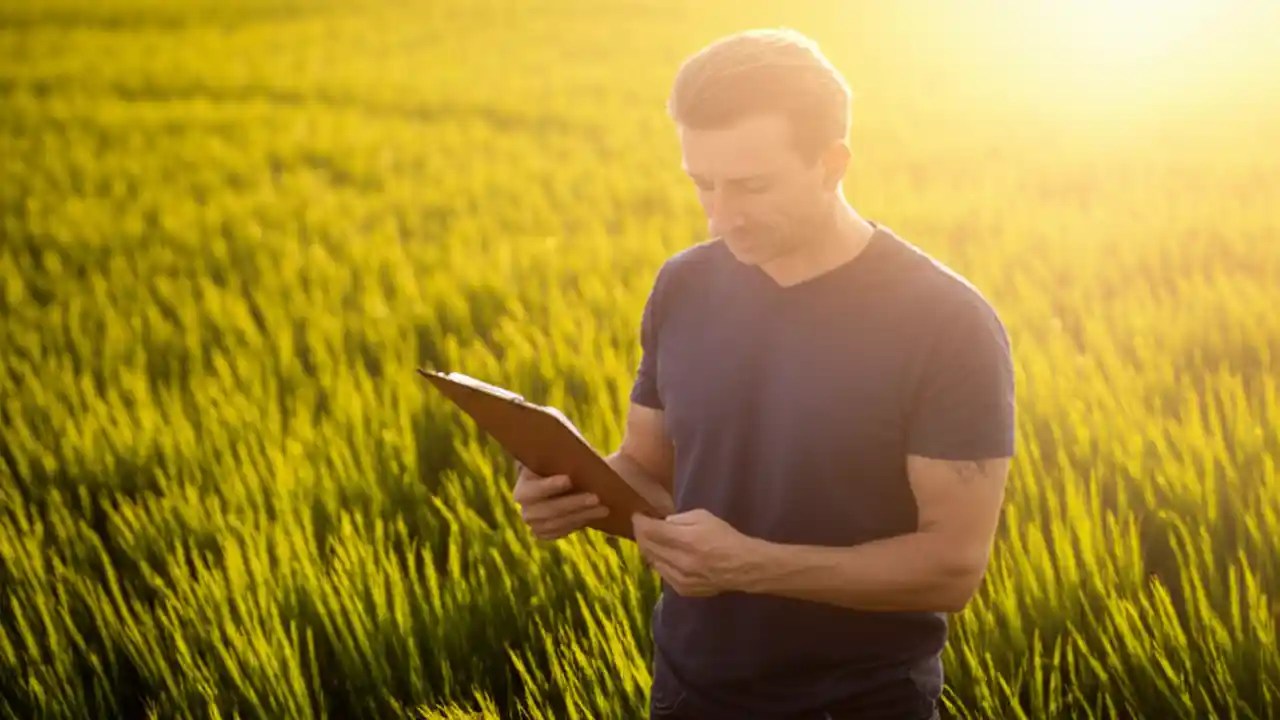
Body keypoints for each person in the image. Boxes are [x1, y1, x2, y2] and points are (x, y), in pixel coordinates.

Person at [512, 27, 1016, 720]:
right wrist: (574, 490)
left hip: (857, 702)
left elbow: (953, 567)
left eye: (750, 186)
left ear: (832, 163)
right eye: (703, 184)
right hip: (688, 688)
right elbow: (646, 469)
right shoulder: (683, 285)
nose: (720, 217)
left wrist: (749, 564)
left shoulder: (946, 323)